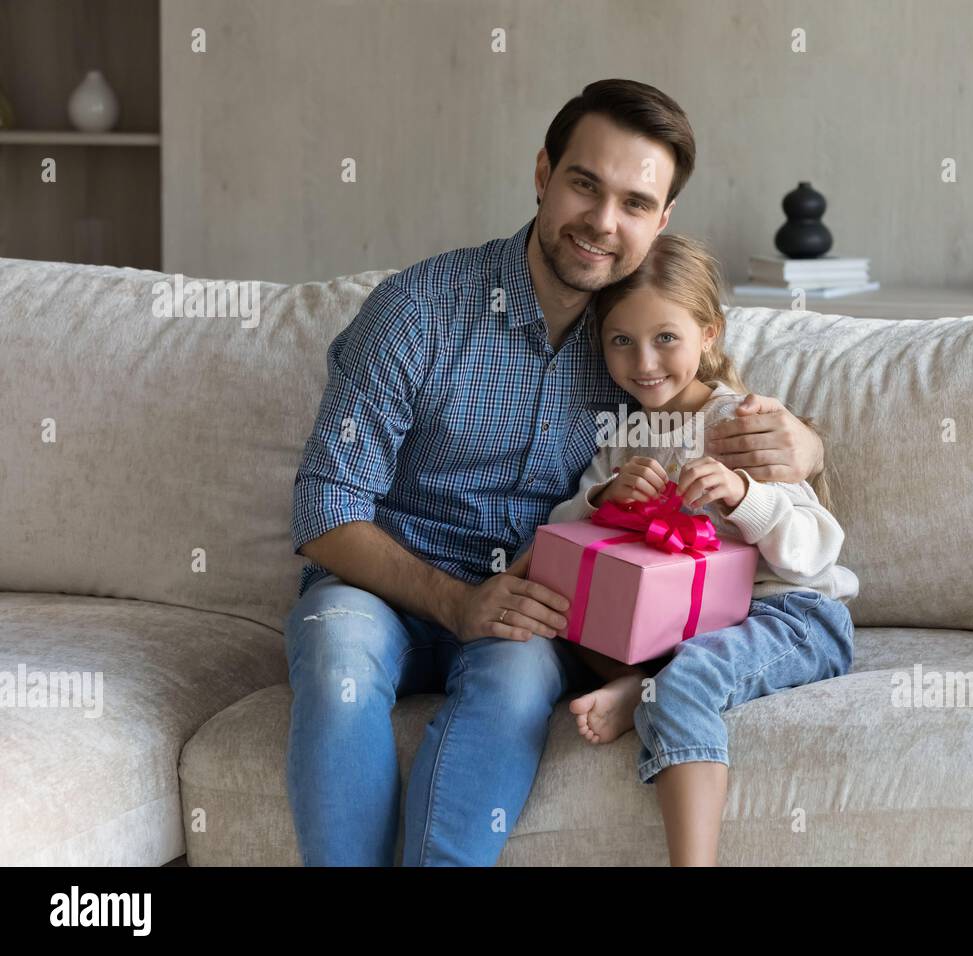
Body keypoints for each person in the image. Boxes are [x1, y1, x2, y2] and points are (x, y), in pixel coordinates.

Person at [283, 78, 828, 866]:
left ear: (661, 220)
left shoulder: (637, 344)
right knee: (337, 656)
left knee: (512, 688)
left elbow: (724, 398)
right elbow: (324, 507)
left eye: (636, 204)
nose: (604, 224)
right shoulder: (416, 310)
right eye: (584, 185)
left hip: (539, 607)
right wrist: (456, 600)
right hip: (382, 589)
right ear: (543, 175)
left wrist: (807, 445)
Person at [547, 233, 858, 866]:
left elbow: (815, 550)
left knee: (685, 685)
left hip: (792, 616)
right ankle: (640, 684)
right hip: (689, 622)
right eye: (621, 341)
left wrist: (746, 495)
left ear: (709, 334)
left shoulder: (740, 423)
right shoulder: (624, 435)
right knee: (566, 627)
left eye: (666, 338)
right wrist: (604, 499)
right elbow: (565, 529)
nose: (645, 363)